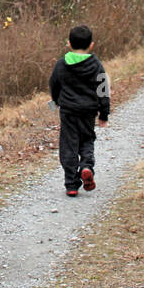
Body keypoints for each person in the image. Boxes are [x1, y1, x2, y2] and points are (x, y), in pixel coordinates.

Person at [48, 24, 110, 197]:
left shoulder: (61, 64)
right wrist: (104, 114)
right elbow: (103, 90)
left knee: (69, 145)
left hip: (68, 111)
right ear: (92, 45)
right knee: (87, 140)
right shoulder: (96, 65)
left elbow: (54, 84)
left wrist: (56, 100)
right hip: (88, 111)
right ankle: (86, 167)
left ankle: (71, 184)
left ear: (69, 44)